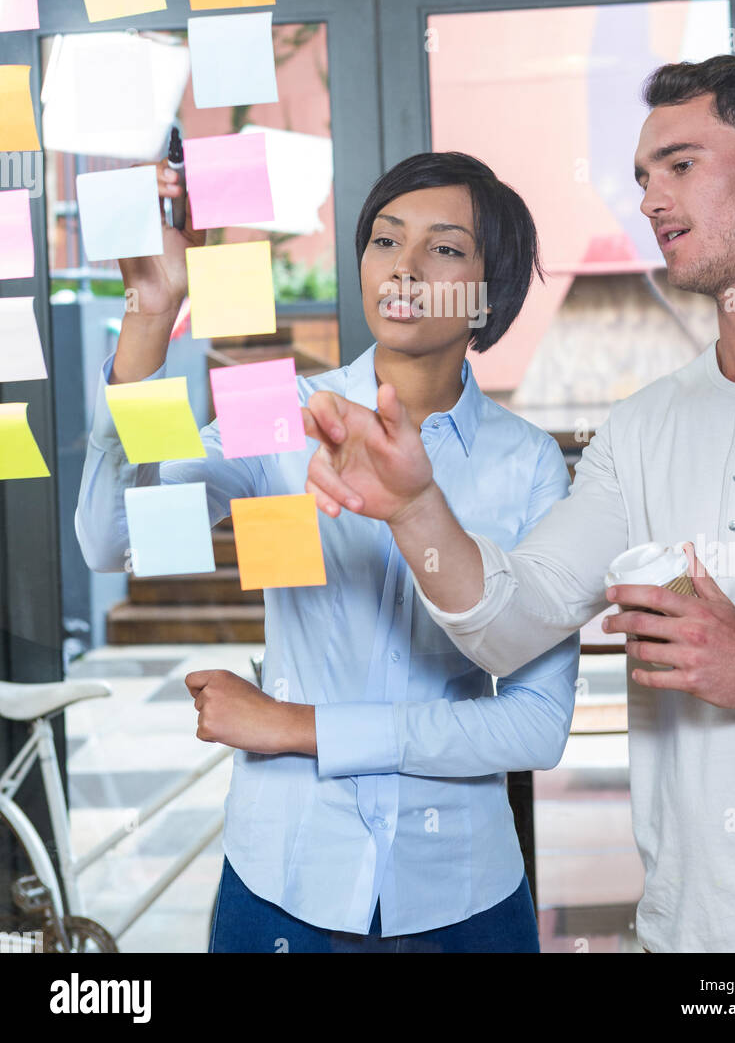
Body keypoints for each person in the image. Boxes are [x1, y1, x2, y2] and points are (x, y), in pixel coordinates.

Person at [303, 55, 735, 954]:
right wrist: (415, 509)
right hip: (685, 937)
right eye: (643, 177)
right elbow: (509, 625)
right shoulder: (642, 428)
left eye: (680, 165)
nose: (649, 198)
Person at [75, 149, 580, 953]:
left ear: (490, 292)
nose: (404, 268)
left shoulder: (526, 463)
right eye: (385, 240)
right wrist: (150, 312)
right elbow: (113, 537)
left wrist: (297, 725)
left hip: (461, 891)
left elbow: (535, 728)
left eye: (444, 247)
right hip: (282, 880)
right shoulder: (278, 410)